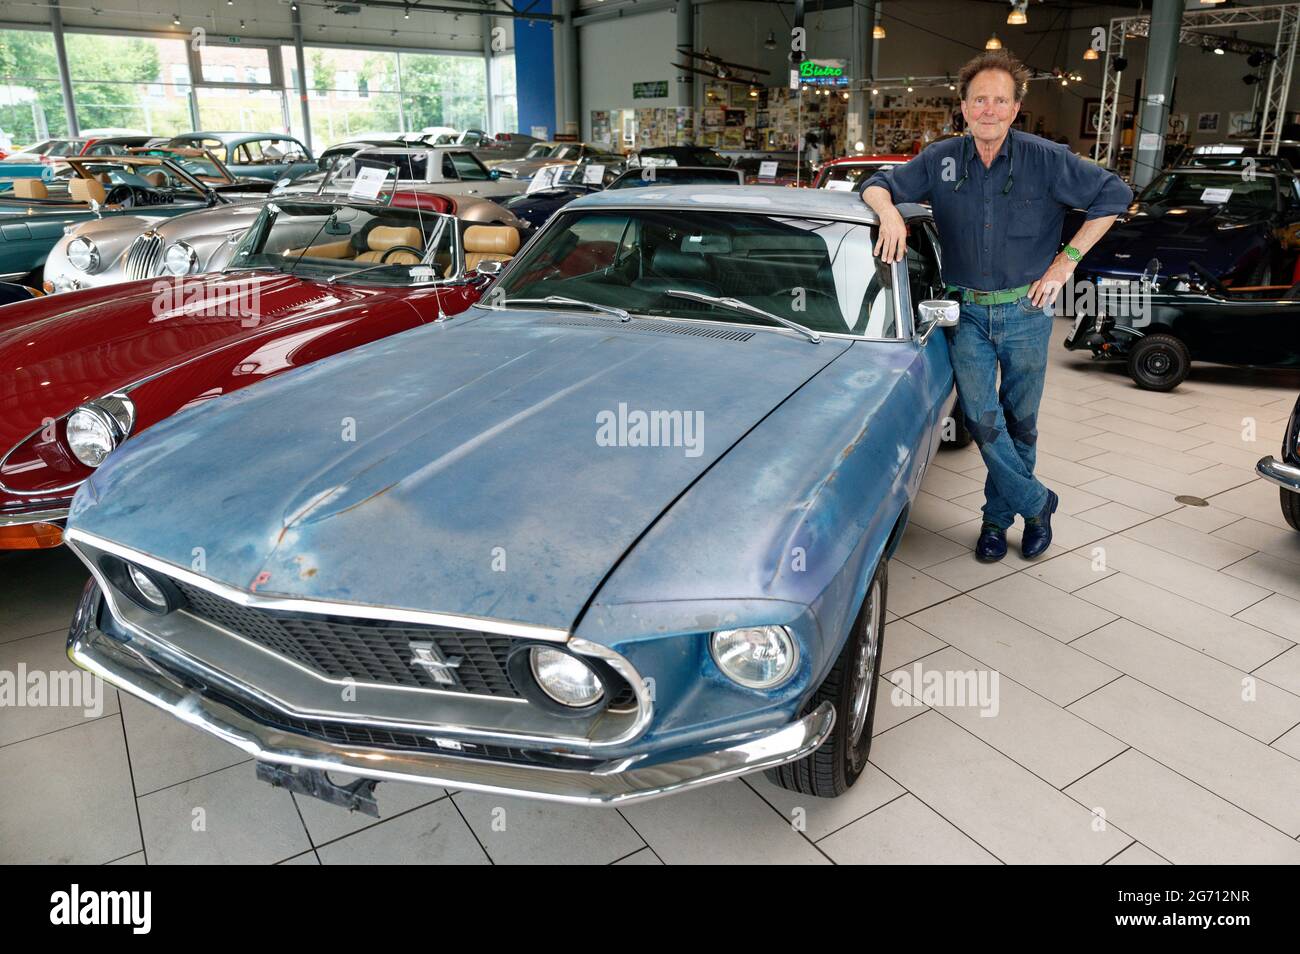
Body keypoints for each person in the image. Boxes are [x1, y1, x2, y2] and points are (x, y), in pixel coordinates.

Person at [861, 49, 1131, 561]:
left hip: (1028, 312)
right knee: (984, 423)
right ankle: (1036, 504)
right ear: (963, 107)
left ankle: (994, 521)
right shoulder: (940, 159)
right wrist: (889, 216)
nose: (989, 109)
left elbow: (1114, 194)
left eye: (1000, 100)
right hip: (966, 315)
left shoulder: (1046, 159)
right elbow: (875, 183)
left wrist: (1065, 262)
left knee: (1020, 420)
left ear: (1014, 108)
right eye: (979, 99)